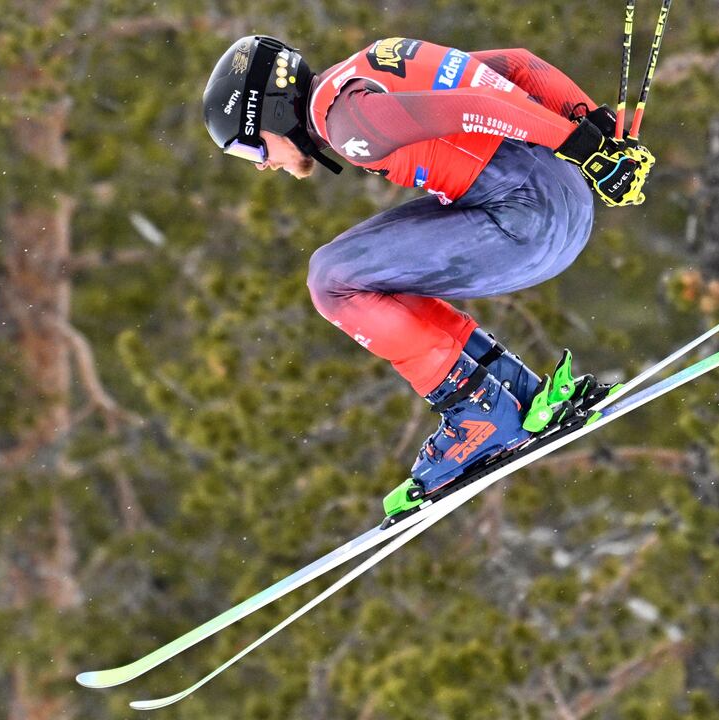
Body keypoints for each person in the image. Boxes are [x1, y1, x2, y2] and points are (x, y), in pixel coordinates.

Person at [201, 35, 653, 516]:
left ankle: (478, 413)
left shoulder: (350, 122)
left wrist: (581, 143)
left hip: (529, 220)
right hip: (559, 199)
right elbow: (519, 65)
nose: (264, 164)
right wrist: (593, 128)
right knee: (357, 276)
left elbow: (472, 104)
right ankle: (512, 391)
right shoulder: (367, 67)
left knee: (332, 281)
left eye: (250, 150)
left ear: (268, 115)